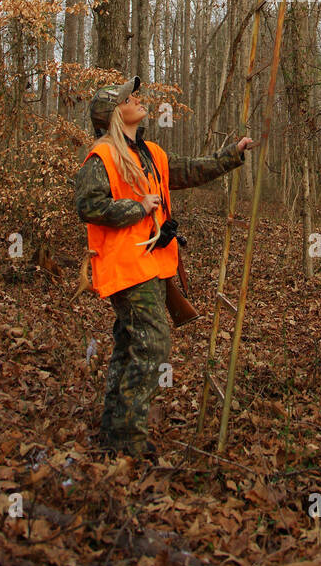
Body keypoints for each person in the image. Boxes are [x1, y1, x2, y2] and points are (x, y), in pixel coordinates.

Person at [74, 74, 253, 459]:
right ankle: (128, 439)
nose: (137, 99)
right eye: (127, 98)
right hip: (126, 267)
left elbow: (187, 170)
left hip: (151, 264)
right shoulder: (101, 157)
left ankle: (114, 427)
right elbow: (88, 206)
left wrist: (231, 154)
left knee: (129, 344)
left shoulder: (150, 152)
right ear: (112, 114)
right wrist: (138, 208)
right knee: (153, 345)